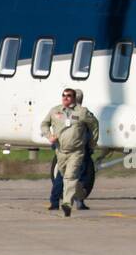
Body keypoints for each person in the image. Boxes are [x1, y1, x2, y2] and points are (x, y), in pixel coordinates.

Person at [40, 88, 99, 217]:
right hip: (60, 151)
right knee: (63, 174)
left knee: (69, 176)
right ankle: (80, 194)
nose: (66, 98)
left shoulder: (82, 112)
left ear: (74, 98)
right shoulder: (55, 111)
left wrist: (92, 143)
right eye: (63, 95)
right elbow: (44, 124)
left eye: (69, 96)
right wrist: (49, 136)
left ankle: (67, 203)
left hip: (76, 151)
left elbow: (94, 124)